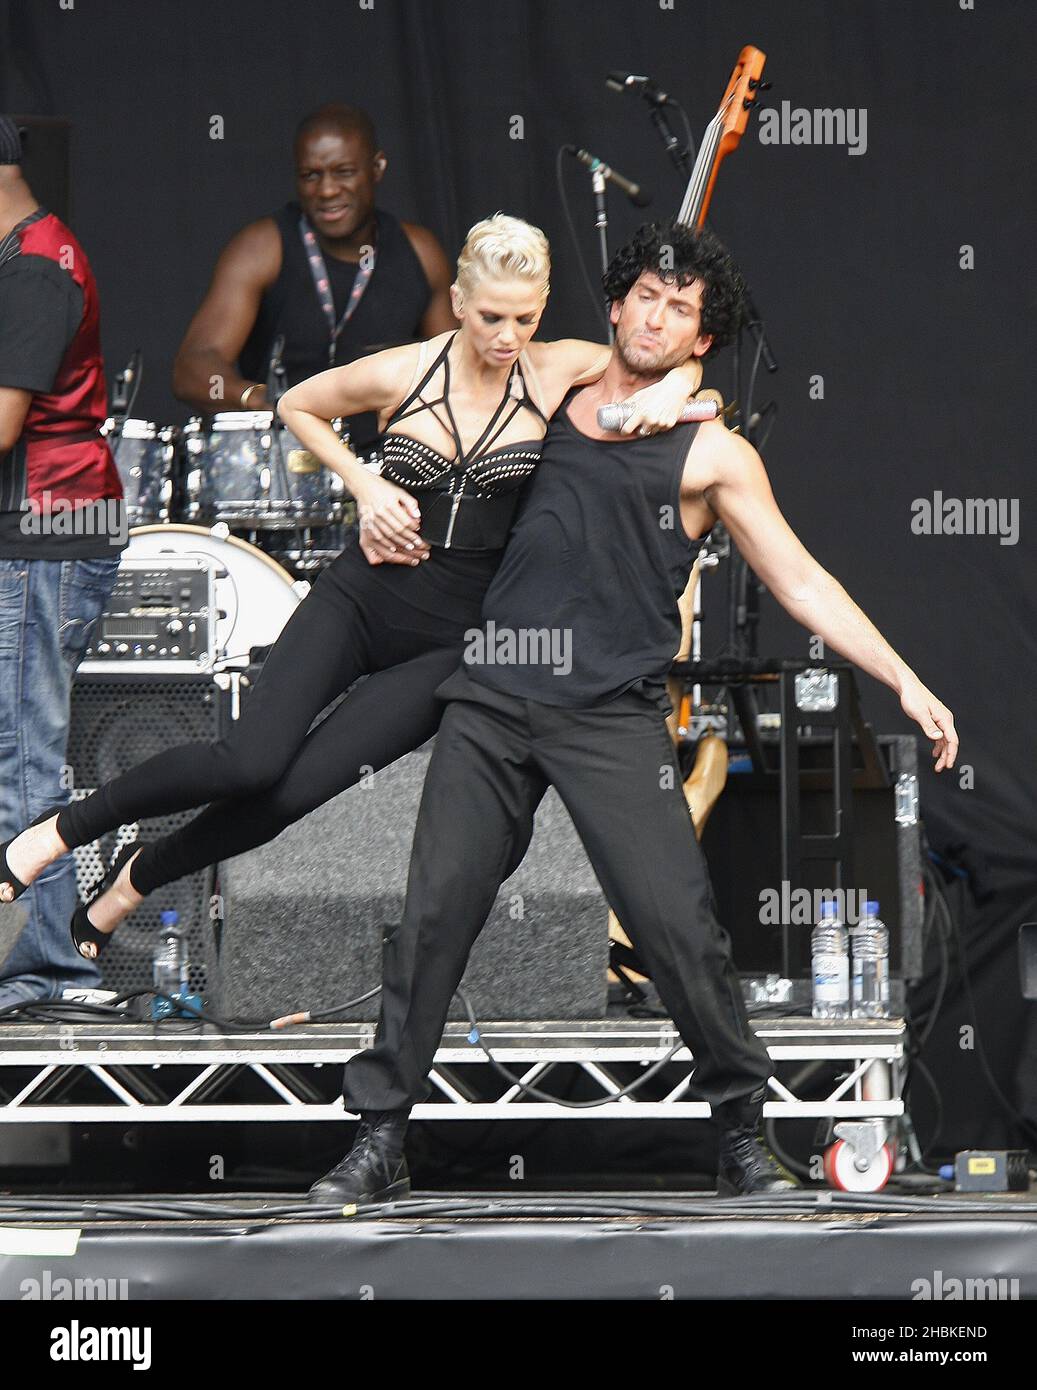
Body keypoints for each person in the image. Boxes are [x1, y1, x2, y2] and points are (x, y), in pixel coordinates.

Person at [310, 220, 959, 1202]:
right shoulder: (556, 384)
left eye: (681, 309)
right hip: (491, 695)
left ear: (703, 338)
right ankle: (380, 1138)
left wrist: (901, 676)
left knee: (673, 925)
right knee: (433, 911)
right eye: (645, 297)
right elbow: (456, 372)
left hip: (607, 712)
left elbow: (801, 581)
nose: (657, 316)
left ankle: (739, 1133)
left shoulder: (713, 454)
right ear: (614, 305)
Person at [0, 214, 703, 960]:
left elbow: (667, 365)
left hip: (449, 637)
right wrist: (362, 482)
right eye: (491, 316)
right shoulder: (404, 370)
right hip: (363, 598)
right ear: (460, 301)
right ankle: (57, 835)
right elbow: (297, 403)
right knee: (249, 762)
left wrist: (687, 386)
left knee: (289, 800)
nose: (506, 336)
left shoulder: (559, 366)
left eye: (524, 317)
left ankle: (136, 878)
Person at [0, 115, 125, 1009]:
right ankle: (39, 954)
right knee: (17, 746)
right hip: (43, 526)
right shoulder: (28, 255)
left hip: (45, 530)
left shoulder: (37, 268)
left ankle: (43, 964)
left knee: (22, 752)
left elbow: (2, 427)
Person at [172, 102, 457, 453]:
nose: (326, 191)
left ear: (377, 168)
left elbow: (455, 368)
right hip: (284, 466)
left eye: (343, 172)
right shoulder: (262, 248)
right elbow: (193, 368)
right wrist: (257, 398)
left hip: (388, 468)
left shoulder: (420, 252)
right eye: (311, 175)